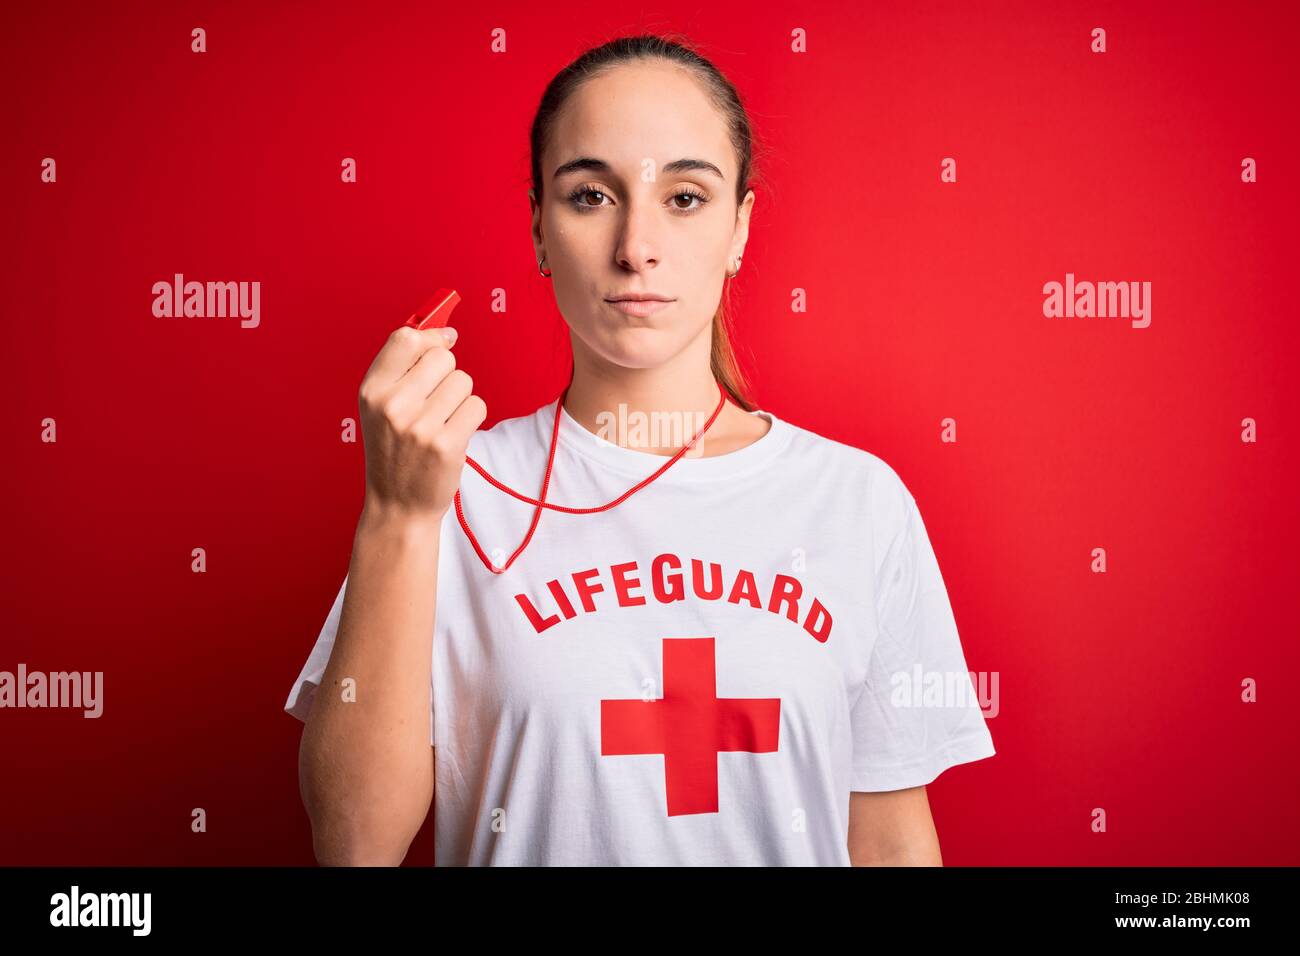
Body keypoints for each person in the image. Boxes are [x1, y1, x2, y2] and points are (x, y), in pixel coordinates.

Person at [284, 33, 995, 866]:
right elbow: (354, 841)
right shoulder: (453, 488)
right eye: (590, 196)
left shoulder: (858, 501)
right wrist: (397, 518)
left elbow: (891, 842)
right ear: (540, 232)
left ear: (741, 226)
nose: (636, 247)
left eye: (685, 197)